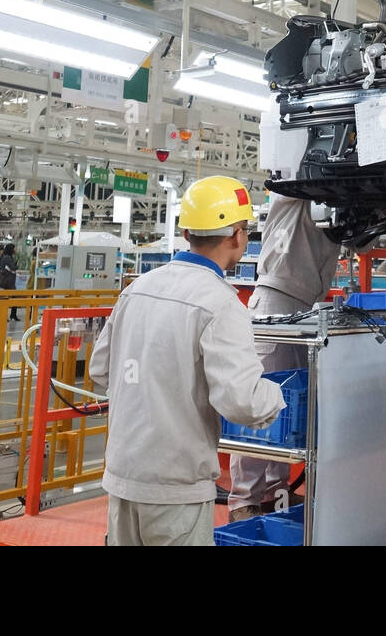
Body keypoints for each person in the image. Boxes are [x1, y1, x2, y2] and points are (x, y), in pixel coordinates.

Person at [88, 176, 285, 546]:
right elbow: (242, 401)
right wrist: (280, 397)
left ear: (188, 232)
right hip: (175, 489)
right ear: (237, 235)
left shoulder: (137, 288)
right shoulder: (221, 303)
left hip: (122, 477)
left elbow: (100, 369)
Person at [227, 195, 343, 523]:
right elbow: (295, 177)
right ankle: (243, 500)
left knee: (288, 407)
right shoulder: (294, 186)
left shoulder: (341, 206)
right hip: (275, 301)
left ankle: (274, 492)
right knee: (258, 406)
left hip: (309, 308)